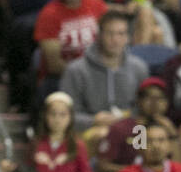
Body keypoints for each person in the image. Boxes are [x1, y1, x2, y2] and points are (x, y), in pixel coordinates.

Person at [57, 12, 149, 146]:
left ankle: (141, 165)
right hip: (90, 129)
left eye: (121, 34)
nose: (115, 39)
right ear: (99, 36)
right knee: (99, 136)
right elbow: (65, 115)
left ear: (128, 37)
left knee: (148, 134)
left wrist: (124, 121)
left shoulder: (139, 68)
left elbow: (145, 111)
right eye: (110, 33)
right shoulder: (76, 70)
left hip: (131, 127)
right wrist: (94, 120)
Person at [32, 0, 108, 107]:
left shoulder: (97, 6)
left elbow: (110, 42)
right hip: (62, 77)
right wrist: (86, 76)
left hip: (98, 73)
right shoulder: (49, 14)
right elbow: (53, 64)